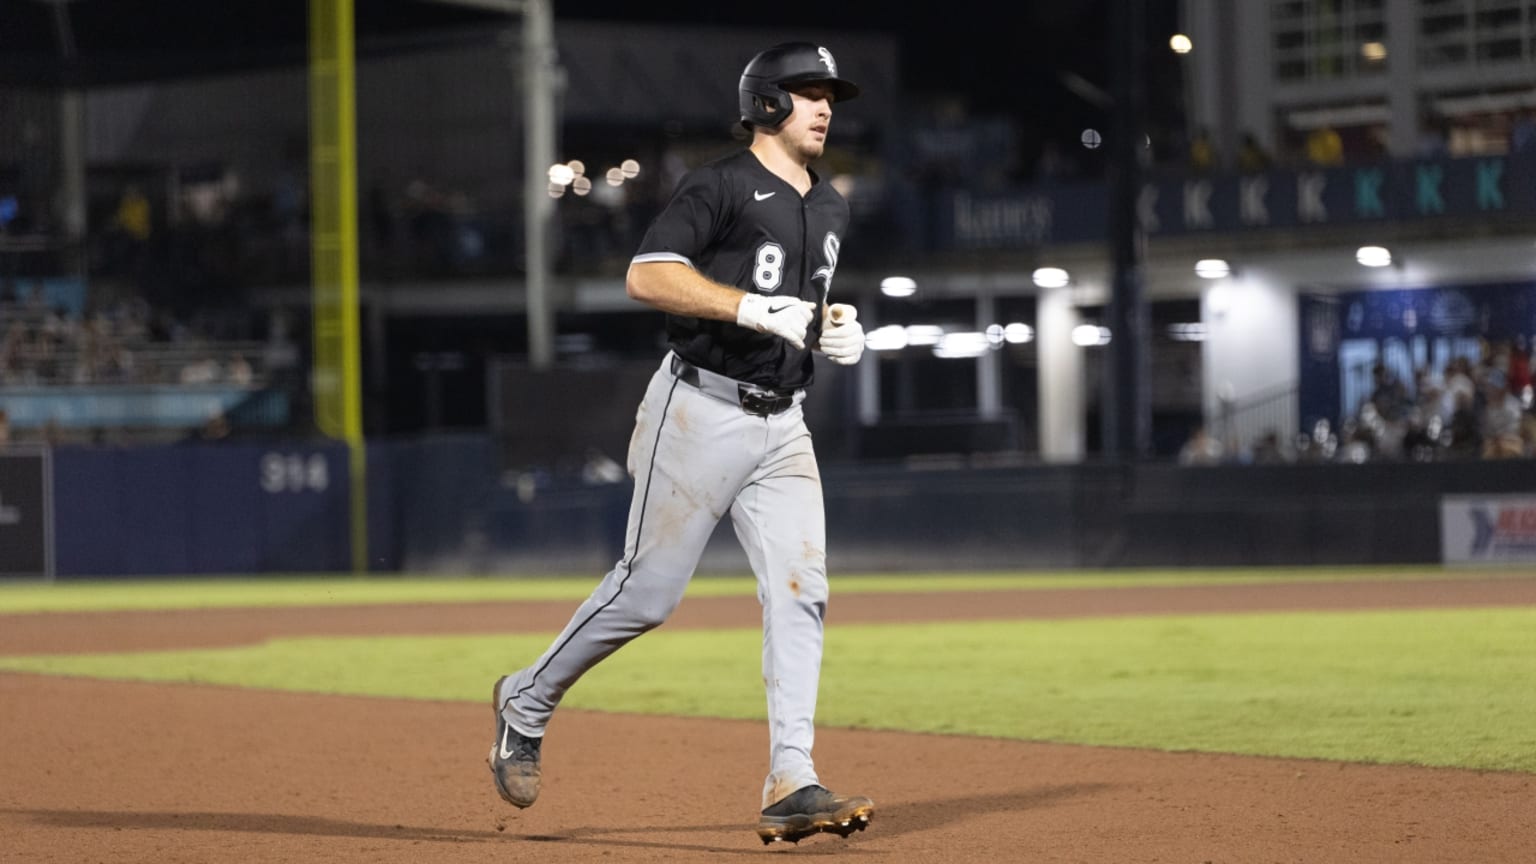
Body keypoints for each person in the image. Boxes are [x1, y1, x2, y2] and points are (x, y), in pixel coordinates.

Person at [488, 42, 873, 846]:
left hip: (784, 424)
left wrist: (833, 326)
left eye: (830, 95)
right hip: (699, 408)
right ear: (767, 102)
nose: (824, 107)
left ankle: (791, 777)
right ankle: (525, 700)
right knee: (647, 596)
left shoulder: (832, 206)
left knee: (802, 590)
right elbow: (647, 275)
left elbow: (800, 303)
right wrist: (750, 309)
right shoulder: (720, 183)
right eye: (808, 92)